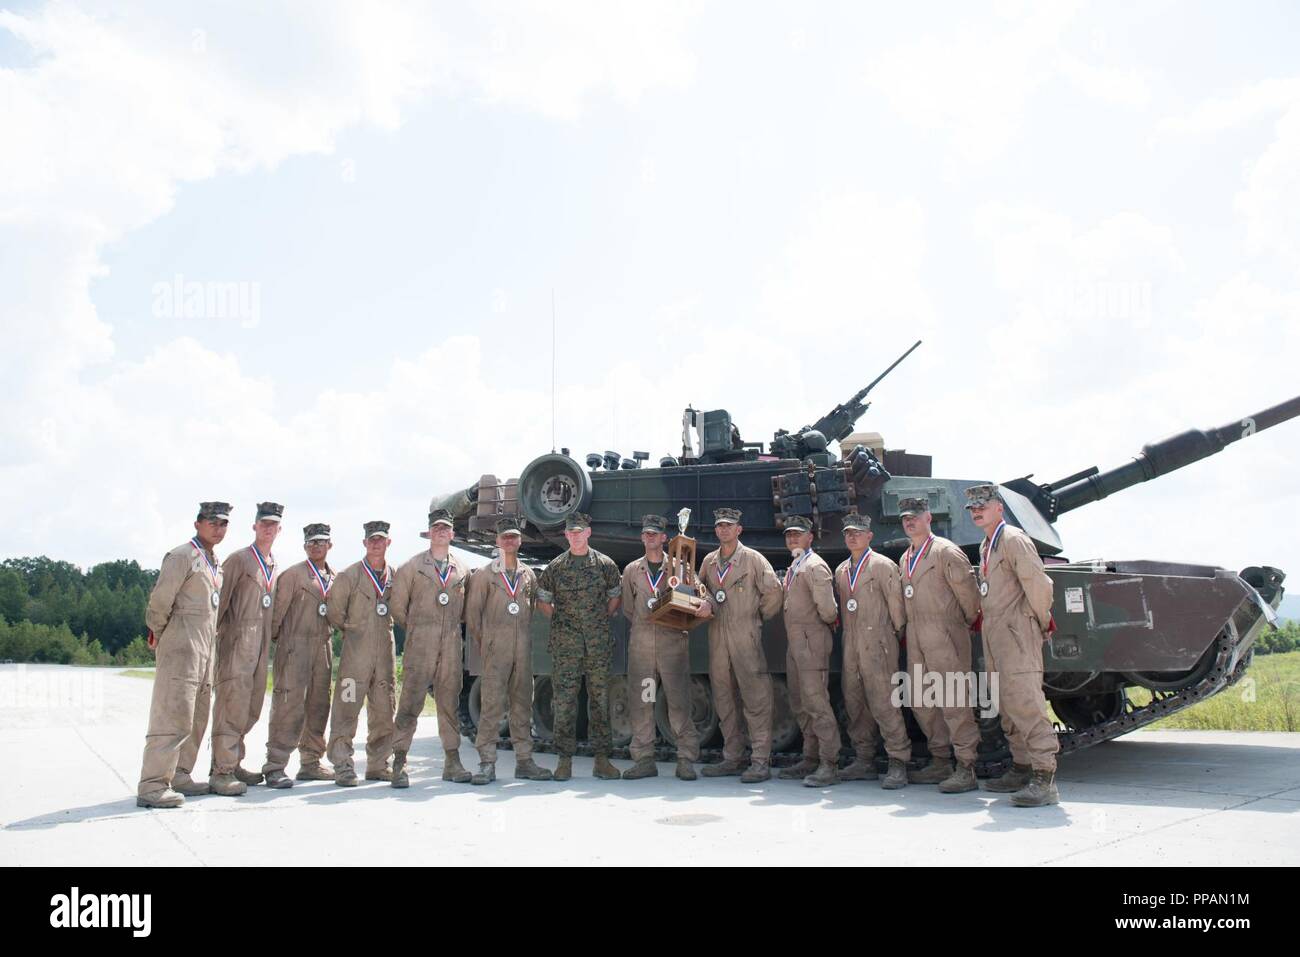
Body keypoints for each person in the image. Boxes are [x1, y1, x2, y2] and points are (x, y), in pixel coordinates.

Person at [965, 484, 1060, 807]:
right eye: (973, 509)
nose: (977, 511)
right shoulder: (987, 545)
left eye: (983, 506)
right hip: (997, 635)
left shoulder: (1014, 540)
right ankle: (1021, 767)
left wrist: (1041, 621)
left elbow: (1038, 583)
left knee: (1026, 702)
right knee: (1007, 705)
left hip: (1017, 632)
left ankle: (1045, 779)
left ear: (999, 509)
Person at [136, 501, 230, 808]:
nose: (218, 529)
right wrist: (161, 634)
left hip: (205, 648)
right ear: (198, 524)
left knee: (196, 715)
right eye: (213, 522)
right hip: (181, 644)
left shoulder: (216, 562)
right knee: (171, 714)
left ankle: (179, 775)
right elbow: (160, 602)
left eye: (223, 524)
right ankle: (152, 785)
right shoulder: (181, 556)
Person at [897, 495, 982, 794]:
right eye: (906, 517)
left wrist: (964, 623)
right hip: (918, 635)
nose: (910, 521)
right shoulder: (905, 557)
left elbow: (969, 596)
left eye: (915, 516)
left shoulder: (946, 552)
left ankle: (966, 766)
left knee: (954, 700)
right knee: (921, 701)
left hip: (945, 632)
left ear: (928, 517)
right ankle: (940, 759)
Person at [536, 512, 623, 782]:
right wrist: (565, 623)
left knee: (600, 701)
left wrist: (597, 621)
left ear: (588, 533)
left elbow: (614, 599)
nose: (575, 536)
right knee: (564, 703)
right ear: (566, 535)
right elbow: (544, 602)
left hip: (597, 645)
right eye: (571, 532)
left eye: (579, 531)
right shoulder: (556, 568)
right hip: (566, 645)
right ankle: (564, 761)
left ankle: (602, 760)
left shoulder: (605, 565)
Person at [697, 508, 783, 783]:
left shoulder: (753, 559)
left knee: (756, 698)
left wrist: (755, 618)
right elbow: (700, 590)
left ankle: (759, 761)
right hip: (717, 636)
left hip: (745, 636)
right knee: (724, 699)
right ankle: (732, 757)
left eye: (729, 526)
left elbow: (773, 593)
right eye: (720, 526)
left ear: (738, 530)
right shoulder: (709, 561)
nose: (723, 530)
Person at [465, 517, 553, 784]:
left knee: (523, 706)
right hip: (496, 650)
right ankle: (486, 763)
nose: (510, 541)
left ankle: (524, 761)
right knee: (492, 706)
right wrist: (487, 643)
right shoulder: (484, 575)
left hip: (523, 651)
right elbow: (472, 615)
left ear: (520, 540)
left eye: (514, 537)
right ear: (497, 541)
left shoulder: (529, 575)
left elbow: (541, 606)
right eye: (505, 537)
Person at [390, 508, 474, 787]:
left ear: (452, 533)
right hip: (421, 643)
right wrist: (420, 628)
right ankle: (399, 762)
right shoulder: (411, 567)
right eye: (436, 527)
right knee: (410, 703)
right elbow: (398, 608)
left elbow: (465, 611)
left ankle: (452, 761)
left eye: (445, 528)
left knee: (449, 703)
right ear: (429, 532)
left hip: (450, 643)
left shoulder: (461, 569)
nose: (441, 531)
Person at [620, 514, 702, 781]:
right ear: (642, 537)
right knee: (644, 701)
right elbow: (630, 610)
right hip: (643, 649)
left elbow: (699, 594)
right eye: (646, 534)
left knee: (678, 701)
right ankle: (644, 759)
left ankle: (686, 759)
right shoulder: (632, 570)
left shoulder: (681, 566)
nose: (650, 538)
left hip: (672, 647)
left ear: (665, 538)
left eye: (655, 534)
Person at [210, 501, 283, 796]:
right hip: (238, 644)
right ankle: (221, 771)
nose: (268, 528)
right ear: (254, 526)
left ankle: (234, 761)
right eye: (263, 523)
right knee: (231, 705)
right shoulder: (238, 560)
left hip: (261, 647)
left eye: (273, 524)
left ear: (280, 529)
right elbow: (219, 604)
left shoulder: (274, 564)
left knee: (251, 707)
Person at [834, 512, 909, 789]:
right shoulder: (841, 570)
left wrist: (892, 637)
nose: (852, 537)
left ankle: (898, 762)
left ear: (869, 536)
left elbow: (897, 610)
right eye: (848, 533)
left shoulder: (882, 565)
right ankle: (864, 759)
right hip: (851, 643)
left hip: (877, 641)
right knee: (855, 704)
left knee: (885, 702)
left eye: (857, 532)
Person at [262, 522, 336, 787]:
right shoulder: (292, 575)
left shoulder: (334, 577)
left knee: (319, 705)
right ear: (305, 546)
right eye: (311, 542)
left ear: (330, 545)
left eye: (321, 541)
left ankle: (311, 762)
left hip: (323, 647)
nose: (316, 546)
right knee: (288, 706)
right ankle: (275, 765)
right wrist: (280, 644)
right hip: (295, 646)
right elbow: (276, 615)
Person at [324, 521, 398, 787]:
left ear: (388, 543)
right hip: (355, 655)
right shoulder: (349, 576)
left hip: (385, 656)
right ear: (365, 543)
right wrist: (353, 630)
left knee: (384, 710)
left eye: (381, 539)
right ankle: (342, 764)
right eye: (371, 539)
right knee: (346, 709)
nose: (376, 543)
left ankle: (378, 764)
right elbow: (334, 612)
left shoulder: (395, 576)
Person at [776, 516, 842, 788]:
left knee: (816, 703)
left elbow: (828, 610)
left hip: (811, 640)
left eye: (798, 534)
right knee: (800, 703)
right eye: (789, 534)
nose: (792, 538)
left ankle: (829, 762)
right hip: (797, 642)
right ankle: (810, 756)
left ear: (810, 537)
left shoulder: (814, 566)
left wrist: (817, 630)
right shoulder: (796, 565)